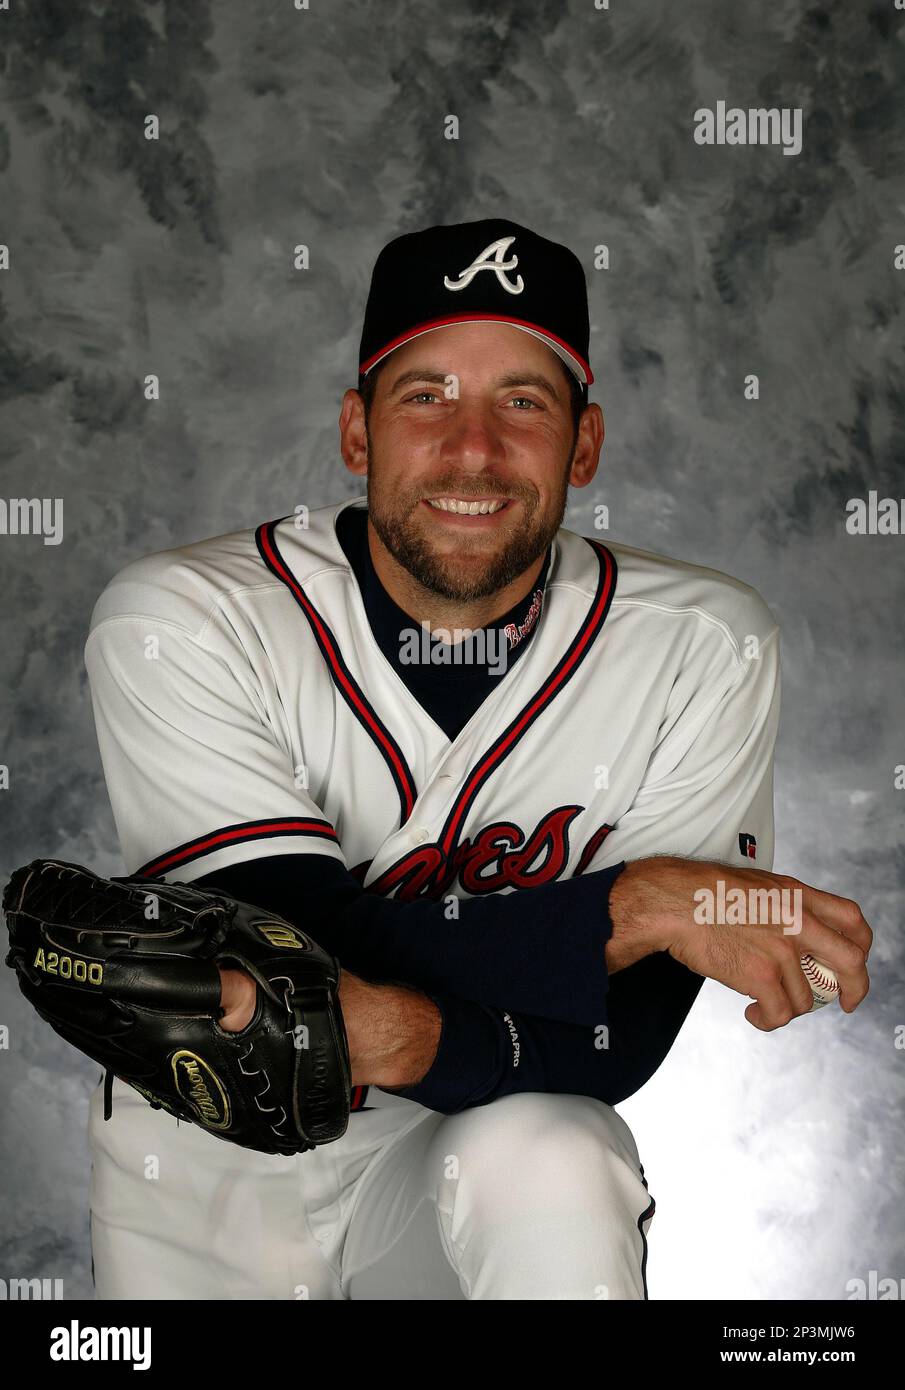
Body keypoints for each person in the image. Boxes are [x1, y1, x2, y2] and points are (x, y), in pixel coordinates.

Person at [83, 218, 871, 1300]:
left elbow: (619, 1042)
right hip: (208, 1166)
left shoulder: (700, 644)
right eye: (425, 397)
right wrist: (630, 906)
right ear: (356, 433)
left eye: (522, 401)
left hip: (465, 1145)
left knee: (555, 1155)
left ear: (581, 443)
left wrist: (403, 1035)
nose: (472, 450)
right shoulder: (187, 618)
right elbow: (279, 959)